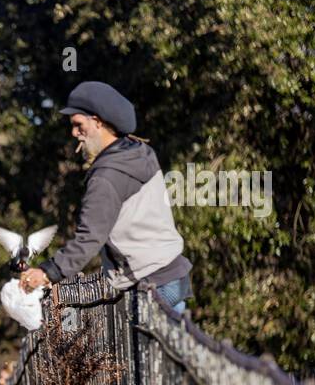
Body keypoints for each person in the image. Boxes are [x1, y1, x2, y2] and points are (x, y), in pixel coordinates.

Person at [17, 81, 192, 314]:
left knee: (140, 348)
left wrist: (47, 272)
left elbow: (89, 237)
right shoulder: (139, 151)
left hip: (151, 283)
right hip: (173, 274)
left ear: (97, 122)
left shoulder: (107, 176)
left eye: (79, 125)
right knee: (173, 346)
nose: (74, 133)